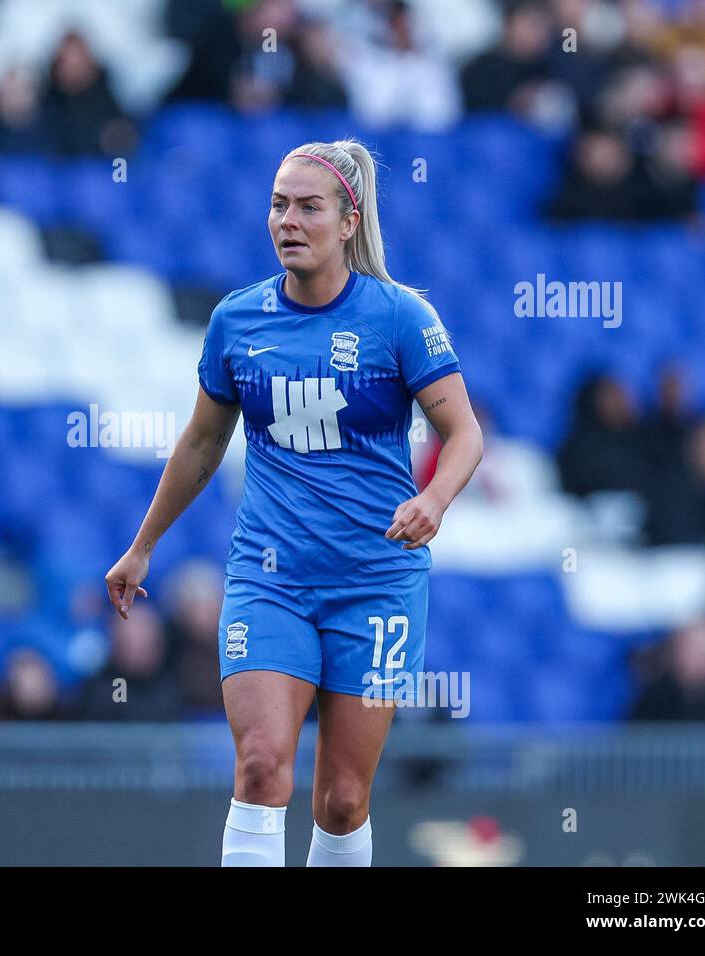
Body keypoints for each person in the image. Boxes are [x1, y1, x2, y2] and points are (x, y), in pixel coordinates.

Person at [105, 139, 483, 867]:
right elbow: (200, 444)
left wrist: (435, 498)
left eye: (309, 206)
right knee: (260, 766)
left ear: (348, 222)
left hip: (376, 583)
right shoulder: (237, 323)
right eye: (279, 204)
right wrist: (143, 543)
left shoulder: (401, 317)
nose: (288, 220)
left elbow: (464, 432)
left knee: (342, 799)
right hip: (269, 581)